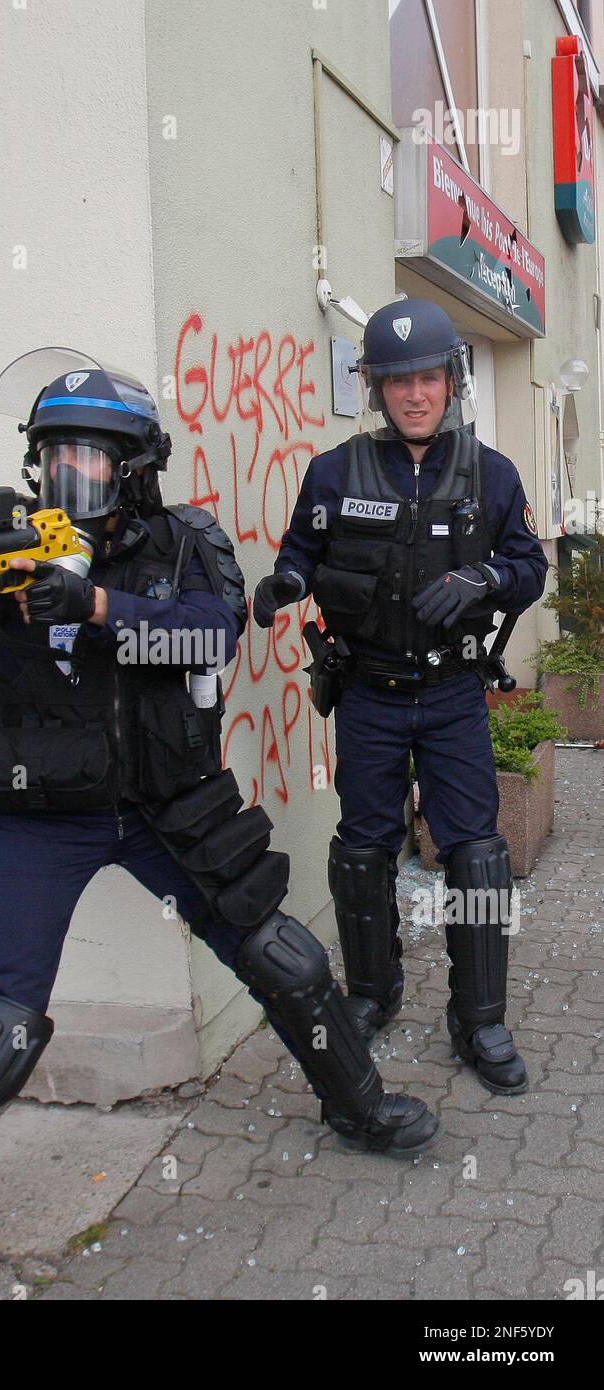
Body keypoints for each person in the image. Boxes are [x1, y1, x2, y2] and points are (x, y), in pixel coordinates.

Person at [0, 347, 439, 1286]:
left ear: (137, 468)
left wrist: (99, 604)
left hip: (169, 802)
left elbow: (212, 635)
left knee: (286, 959)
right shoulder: (5, 544)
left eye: (93, 461)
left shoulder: (186, 542)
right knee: (0, 1037)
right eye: (56, 458)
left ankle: (361, 1108)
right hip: (45, 813)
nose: (72, 479)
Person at [254, 298, 547, 1098]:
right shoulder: (334, 471)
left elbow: (530, 567)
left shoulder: (491, 474)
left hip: (452, 694)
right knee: (363, 850)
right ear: (377, 390)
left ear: (450, 381)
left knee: (477, 855)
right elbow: (301, 550)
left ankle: (480, 1019)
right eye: (397, 381)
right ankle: (371, 994)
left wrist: (486, 576)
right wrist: (286, 584)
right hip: (369, 695)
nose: (414, 394)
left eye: (427, 378)